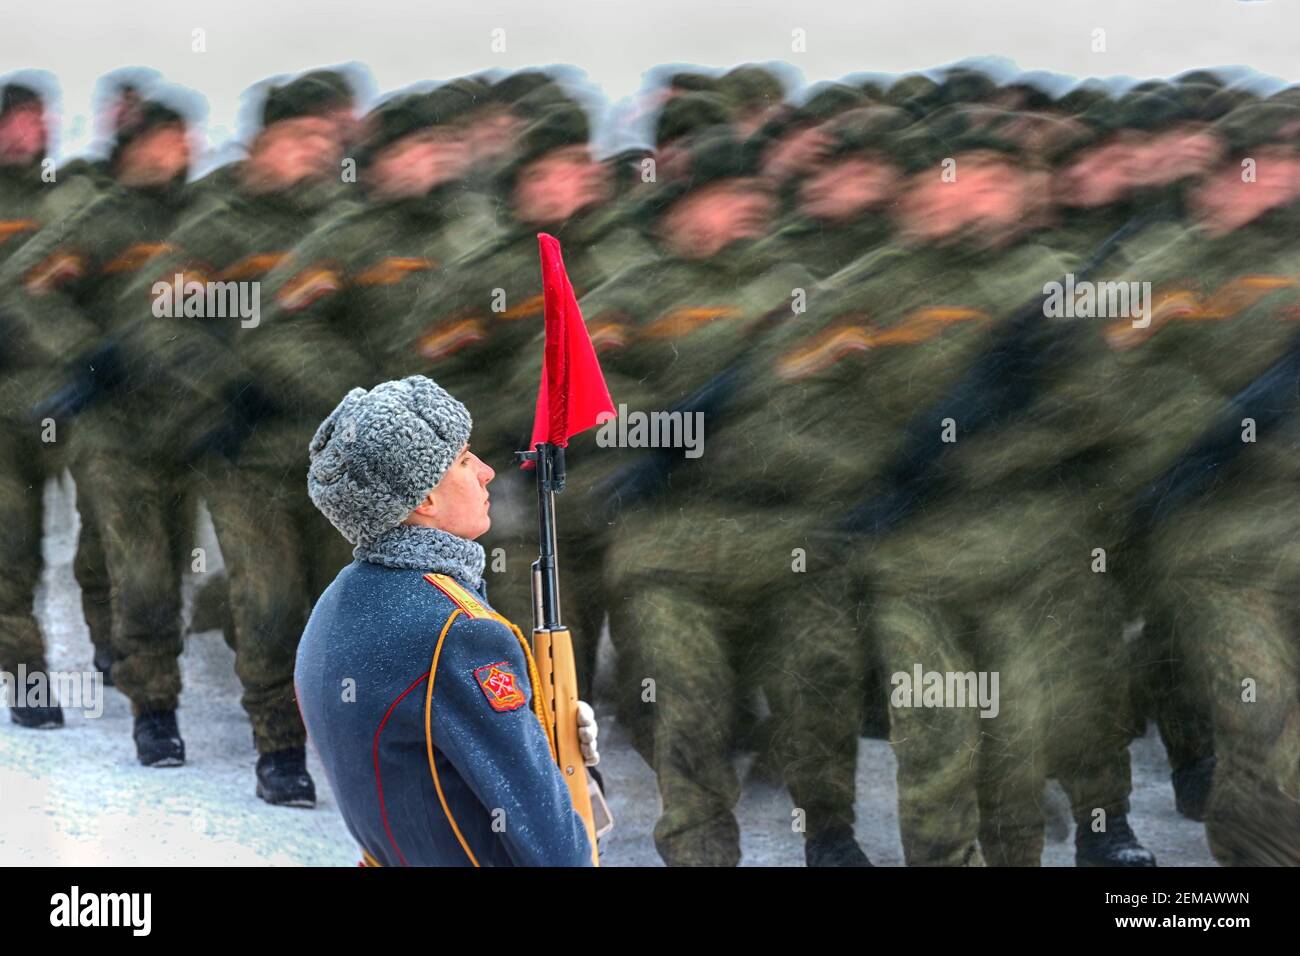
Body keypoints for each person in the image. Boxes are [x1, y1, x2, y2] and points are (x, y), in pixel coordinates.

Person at [295, 375, 598, 867]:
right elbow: (556, 850)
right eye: (462, 461)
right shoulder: (462, 633)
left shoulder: (339, 599)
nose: (486, 472)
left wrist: (546, 731)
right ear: (423, 501)